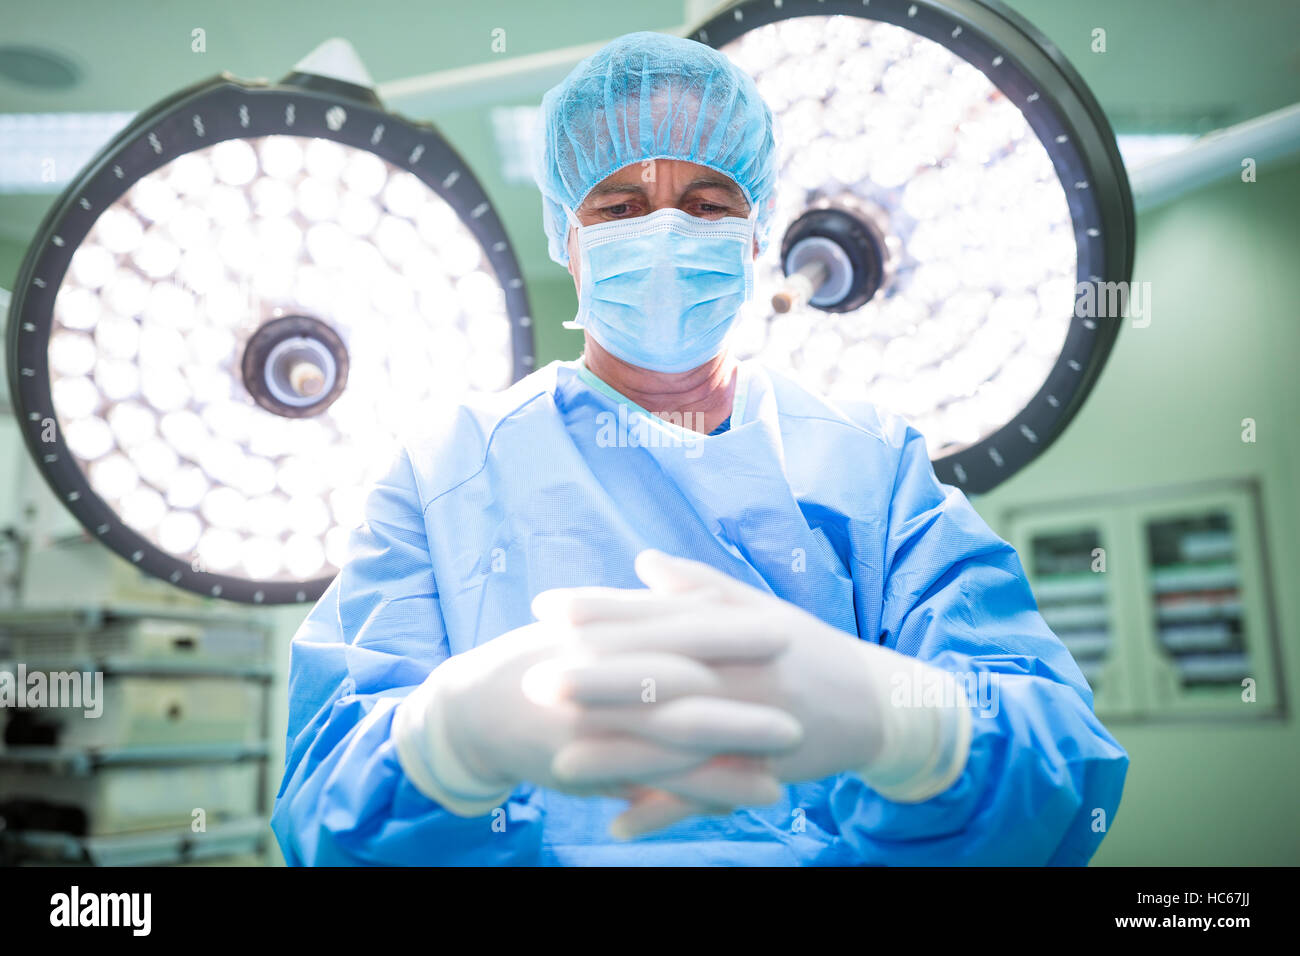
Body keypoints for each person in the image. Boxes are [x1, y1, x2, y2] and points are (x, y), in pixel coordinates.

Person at [271, 31, 1128, 866]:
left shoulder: (869, 463)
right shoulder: (443, 470)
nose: (668, 231)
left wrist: (912, 726)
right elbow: (324, 806)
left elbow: (1058, 756)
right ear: (567, 238)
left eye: (709, 204)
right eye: (622, 206)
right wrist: (445, 744)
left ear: (757, 237)